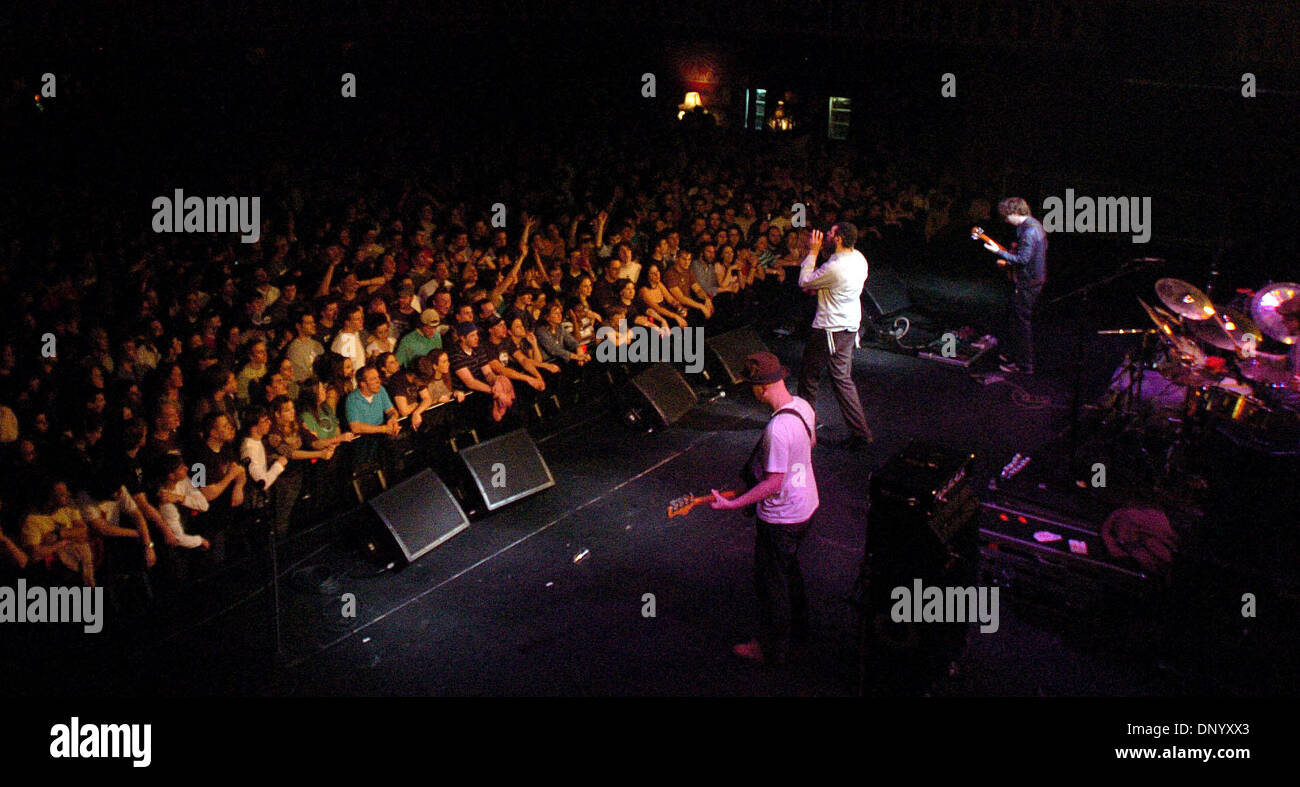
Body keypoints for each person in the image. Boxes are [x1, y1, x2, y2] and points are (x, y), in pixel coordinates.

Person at [710, 352, 819, 664]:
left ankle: (771, 648)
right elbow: (807, 449)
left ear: (760, 388)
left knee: (772, 585)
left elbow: (773, 483)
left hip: (782, 517)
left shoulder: (776, 430)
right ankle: (800, 631)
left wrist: (734, 503)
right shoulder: (803, 407)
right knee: (790, 572)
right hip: (807, 505)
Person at [796, 224, 873, 448]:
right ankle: (860, 433)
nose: (826, 235)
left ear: (838, 238)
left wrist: (812, 252)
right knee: (841, 378)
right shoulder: (859, 258)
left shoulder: (835, 267)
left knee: (810, 376)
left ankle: (804, 424)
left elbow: (804, 281)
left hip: (829, 328)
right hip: (849, 324)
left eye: (830, 233)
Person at [983, 197, 1048, 374]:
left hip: (1029, 283)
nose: (1005, 220)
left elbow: (1022, 259)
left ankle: (1025, 365)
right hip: (1030, 279)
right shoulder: (1030, 225)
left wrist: (999, 252)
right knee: (1016, 320)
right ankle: (1015, 354)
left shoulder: (1030, 231)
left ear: (1016, 212)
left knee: (1022, 323)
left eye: (1006, 216)